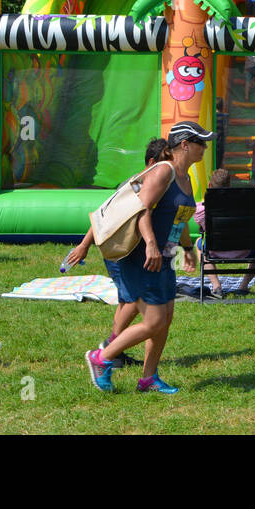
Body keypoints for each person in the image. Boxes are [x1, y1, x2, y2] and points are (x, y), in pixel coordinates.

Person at [84, 120, 210, 394]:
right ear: (184, 145)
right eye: (201, 142)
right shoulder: (163, 171)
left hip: (166, 256)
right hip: (144, 256)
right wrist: (151, 243)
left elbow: (181, 218)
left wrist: (188, 250)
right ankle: (101, 358)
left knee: (165, 319)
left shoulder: (186, 178)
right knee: (153, 321)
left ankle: (148, 378)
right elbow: (142, 210)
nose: (205, 147)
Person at [66, 138, 179, 367]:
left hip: (134, 251)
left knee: (130, 301)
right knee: (134, 302)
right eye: (166, 161)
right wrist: (84, 245)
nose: (170, 168)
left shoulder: (164, 184)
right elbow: (105, 216)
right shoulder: (137, 183)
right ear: (152, 162)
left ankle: (112, 350)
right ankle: (109, 351)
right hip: (122, 252)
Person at [196, 168, 255, 297]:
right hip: (245, 250)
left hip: (215, 251)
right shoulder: (245, 206)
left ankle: (216, 286)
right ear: (229, 186)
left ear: (209, 186)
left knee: (199, 243)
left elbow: (201, 225)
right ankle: (243, 286)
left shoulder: (200, 210)